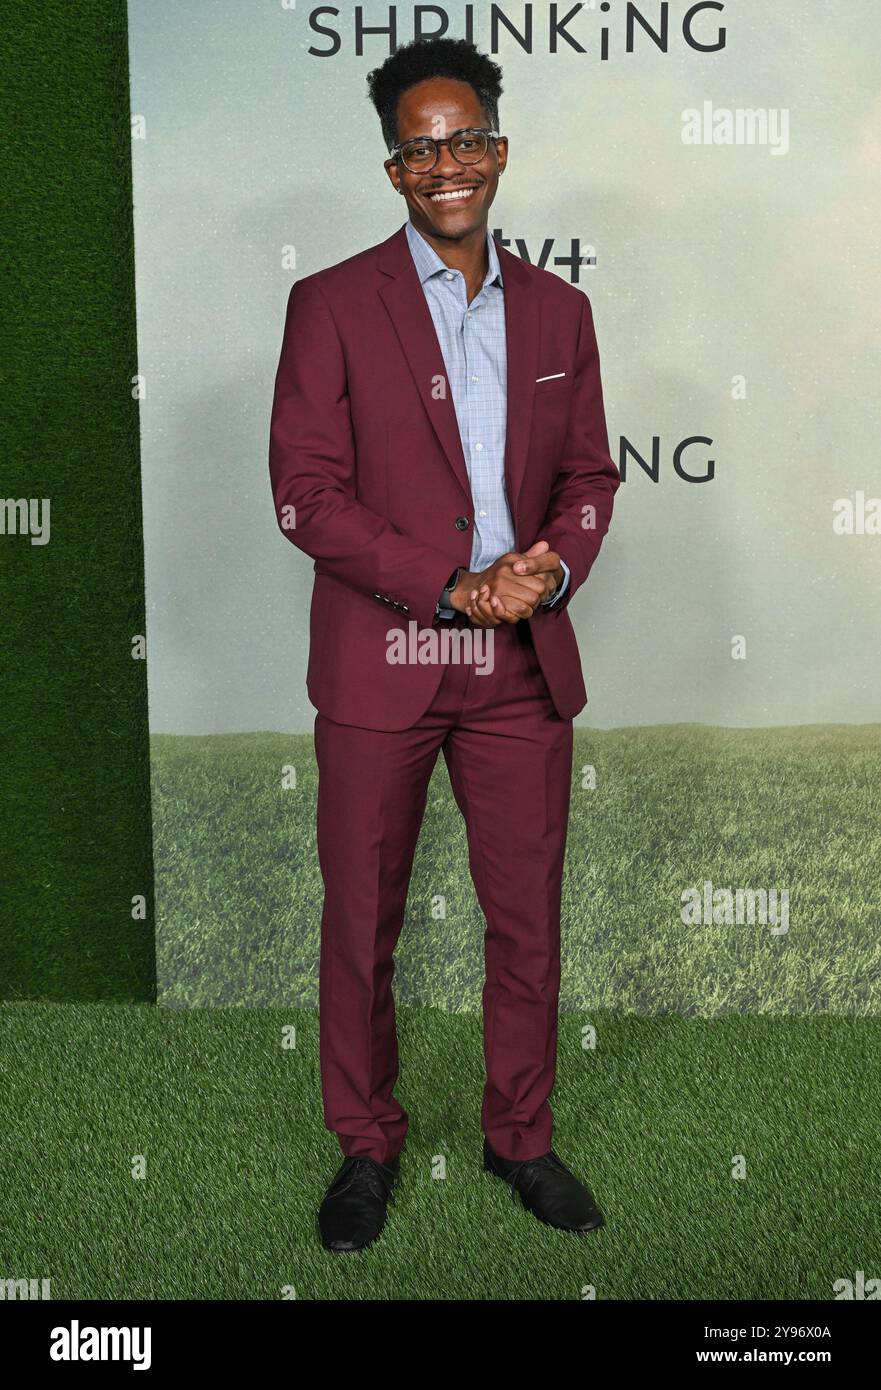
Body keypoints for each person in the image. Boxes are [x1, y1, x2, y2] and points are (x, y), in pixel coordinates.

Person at [269, 36, 620, 1254]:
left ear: (497, 149)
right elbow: (305, 495)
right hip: (383, 664)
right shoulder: (329, 305)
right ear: (392, 170)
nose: (446, 165)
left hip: (519, 670)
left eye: (464, 139)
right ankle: (365, 1144)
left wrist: (547, 567)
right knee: (361, 921)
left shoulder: (561, 311)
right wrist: (448, 585)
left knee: (523, 919)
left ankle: (518, 1136)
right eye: (419, 150)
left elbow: (587, 478)